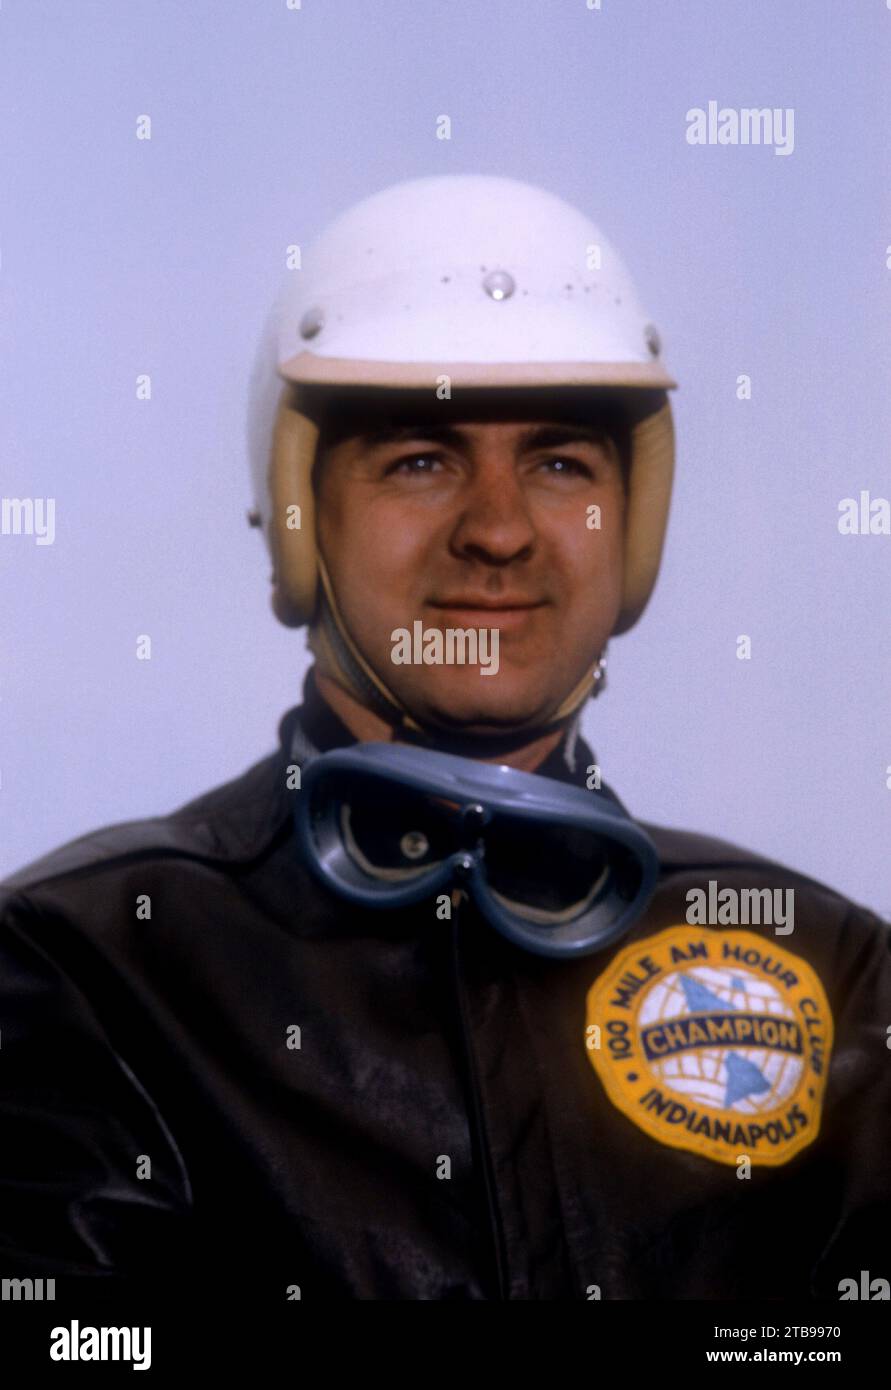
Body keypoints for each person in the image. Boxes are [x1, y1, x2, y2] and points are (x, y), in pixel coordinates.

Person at [1, 174, 889, 1306]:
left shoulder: (832, 966)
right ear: (300, 519)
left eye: (562, 462)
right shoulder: (91, 963)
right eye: (421, 459)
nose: (501, 530)